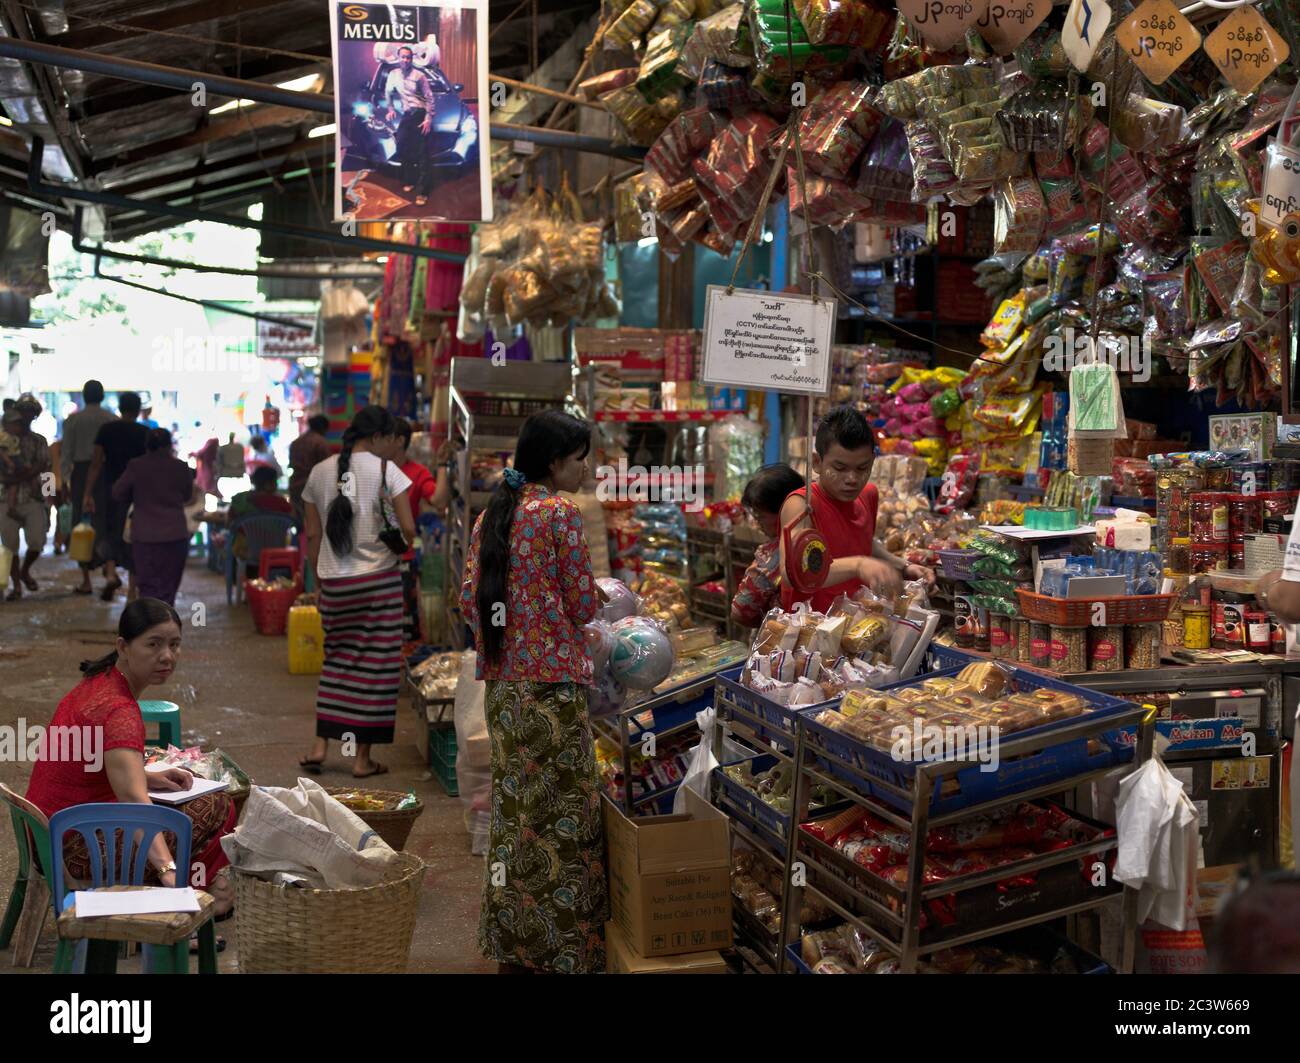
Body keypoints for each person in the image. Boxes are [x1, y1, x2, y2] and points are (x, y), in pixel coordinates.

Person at [461, 409, 606, 975]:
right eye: (579, 458)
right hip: (552, 692)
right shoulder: (559, 514)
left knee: (517, 818)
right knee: (568, 820)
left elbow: (472, 599)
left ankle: (515, 946)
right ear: (553, 462)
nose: (585, 468)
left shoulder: (491, 518)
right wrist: (597, 597)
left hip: (505, 690)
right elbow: (581, 603)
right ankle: (565, 950)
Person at [25, 599, 236, 923]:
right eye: (153, 644)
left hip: (47, 837)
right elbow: (134, 803)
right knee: (219, 804)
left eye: (174, 644)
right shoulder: (120, 710)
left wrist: (147, 774)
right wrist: (168, 872)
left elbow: (92, 760)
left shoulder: (98, 682)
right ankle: (183, 906)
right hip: (80, 851)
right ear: (123, 646)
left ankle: (195, 894)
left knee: (194, 796)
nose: (167, 656)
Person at [299, 405, 415, 779]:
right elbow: (409, 529)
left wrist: (317, 582)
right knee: (375, 669)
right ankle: (361, 760)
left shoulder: (319, 472)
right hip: (378, 584)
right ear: (379, 437)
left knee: (337, 661)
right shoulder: (387, 471)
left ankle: (321, 745)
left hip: (333, 584)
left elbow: (313, 536)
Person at [778, 405, 934, 614]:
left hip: (856, 625)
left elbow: (862, 542)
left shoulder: (868, 494)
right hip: (811, 630)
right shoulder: (801, 504)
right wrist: (858, 565)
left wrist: (903, 567)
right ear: (817, 462)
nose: (852, 479)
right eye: (840, 468)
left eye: (862, 468)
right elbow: (792, 571)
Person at [111, 429, 196, 606]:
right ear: (170, 445)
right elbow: (188, 496)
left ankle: (151, 626)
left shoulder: (136, 466)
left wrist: (137, 497)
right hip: (175, 534)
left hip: (145, 535)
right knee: (169, 586)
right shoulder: (181, 467)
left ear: (146, 446)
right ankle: (167, 623)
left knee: (148, 587)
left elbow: (118, 492)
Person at [83, 391, 148, 601]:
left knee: (111, 531)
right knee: (134, 537)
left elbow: (95, 464)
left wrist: (87, 493)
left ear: (120, 409)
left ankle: (110, 575)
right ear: (138, 410)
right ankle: (131, 589)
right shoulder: (145, 433)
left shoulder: (106, 430)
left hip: (110, 488)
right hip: (136, 492)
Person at [391, 417, 447, 644]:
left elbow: (439, 501)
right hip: (373, 558)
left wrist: (443, 465)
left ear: (398, 441)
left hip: (404, 557)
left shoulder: (417, 471)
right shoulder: (373, 469)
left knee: (405, 623)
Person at [59, 380, 117, 593]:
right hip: (107, 475)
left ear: (84, 396)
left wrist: (65, 480)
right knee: (107, 521)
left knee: (80, 524)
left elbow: (66, 453)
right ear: (102, 396)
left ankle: (86, 581)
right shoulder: (111, 419)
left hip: (81, 475)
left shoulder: (73, 420)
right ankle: (109, 571)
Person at [732, 464, 806, 629]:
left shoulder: (773, 554)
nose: (758, 524)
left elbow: (740, 611)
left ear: (783, 511)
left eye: (760, 517)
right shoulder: (818, 535)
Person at [0, 398, 52, 601]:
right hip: (6, 498)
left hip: (33, 498)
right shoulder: (4, 439)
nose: (29, 416)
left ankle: (24, 571)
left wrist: (51, 496)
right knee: (10, 544)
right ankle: (17, 586)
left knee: (37, 541)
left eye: (32, 413)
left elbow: (47, 470)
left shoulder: (39, 441)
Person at [384, 45, 440, 207]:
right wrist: (390, 108)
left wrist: (429, 117)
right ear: (398, 57)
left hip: (420, 114)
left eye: (408, 57)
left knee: (422, 152)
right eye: (403, 57)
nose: (406, 60)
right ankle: (411, 179)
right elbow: (388, 92)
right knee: (401, 146)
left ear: (412, 58)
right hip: (407, 115)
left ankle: (424, 190)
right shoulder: (393, 75)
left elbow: (429, 97)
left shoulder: (419, 75)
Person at [228, 465, 295, 578]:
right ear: (269, 484)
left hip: (249, 552)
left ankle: (246, 583)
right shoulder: (281, 502)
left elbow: (230, 523)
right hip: (277, 552)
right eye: (275, 481)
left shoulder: (242, 500)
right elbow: (293, 520)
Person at [289, 414, 333, 527]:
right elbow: (327, 467)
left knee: (300, 524)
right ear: (323, 428)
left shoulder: (296, 442)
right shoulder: (320, 442)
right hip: (314, 487)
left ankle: (299, 544)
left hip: (296, 486)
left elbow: (291, 464)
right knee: (314, 524)